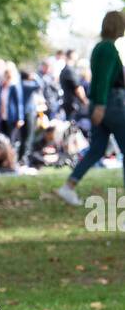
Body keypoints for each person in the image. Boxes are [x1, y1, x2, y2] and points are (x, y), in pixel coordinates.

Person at [56, 11, 125, 205]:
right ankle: (68, 187)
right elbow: (102, 81)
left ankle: (69, 186)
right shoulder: (108, 49)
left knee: (96, 149)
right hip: (110, 104)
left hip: (101, 104)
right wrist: (101, 106)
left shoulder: (100, 48)